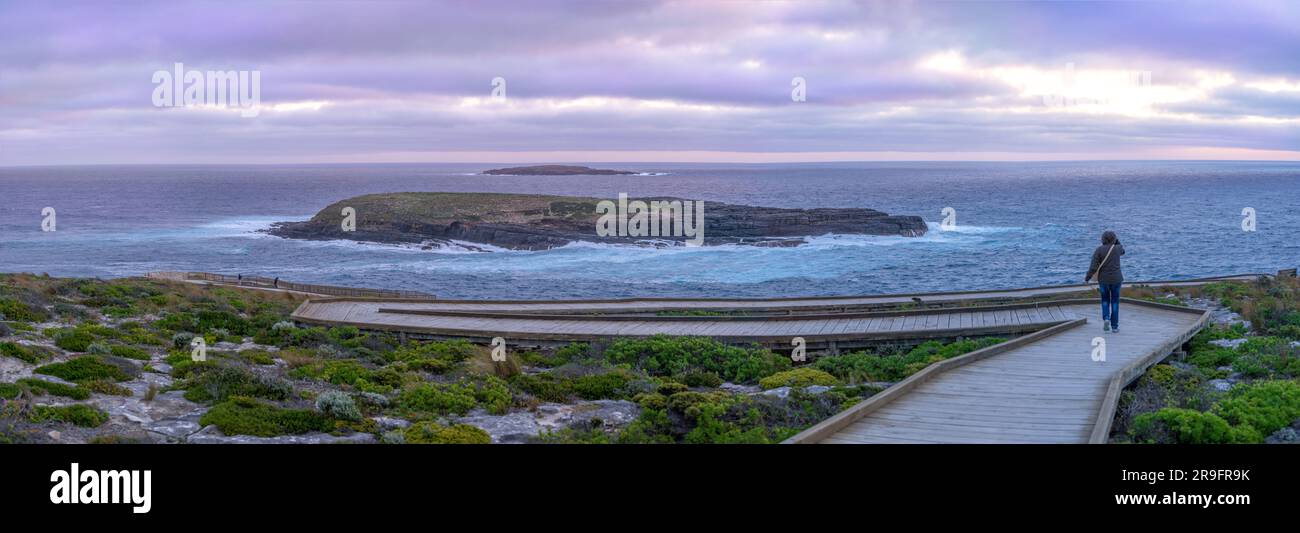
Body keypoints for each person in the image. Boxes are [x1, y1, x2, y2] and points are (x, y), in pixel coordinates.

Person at [1086, 230, 1125, 333]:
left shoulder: (1099, 250)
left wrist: (1087, 277)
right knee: (1115, 302)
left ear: (1102, 239)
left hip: (1103, 280)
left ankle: (1106, 318)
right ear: (1114, 239)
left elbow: (1093, 267)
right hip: (1117, 279)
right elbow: (1123, 251)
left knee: (1105, 300)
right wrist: (1117, 241)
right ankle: (1115, 327)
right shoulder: (1118, 248)